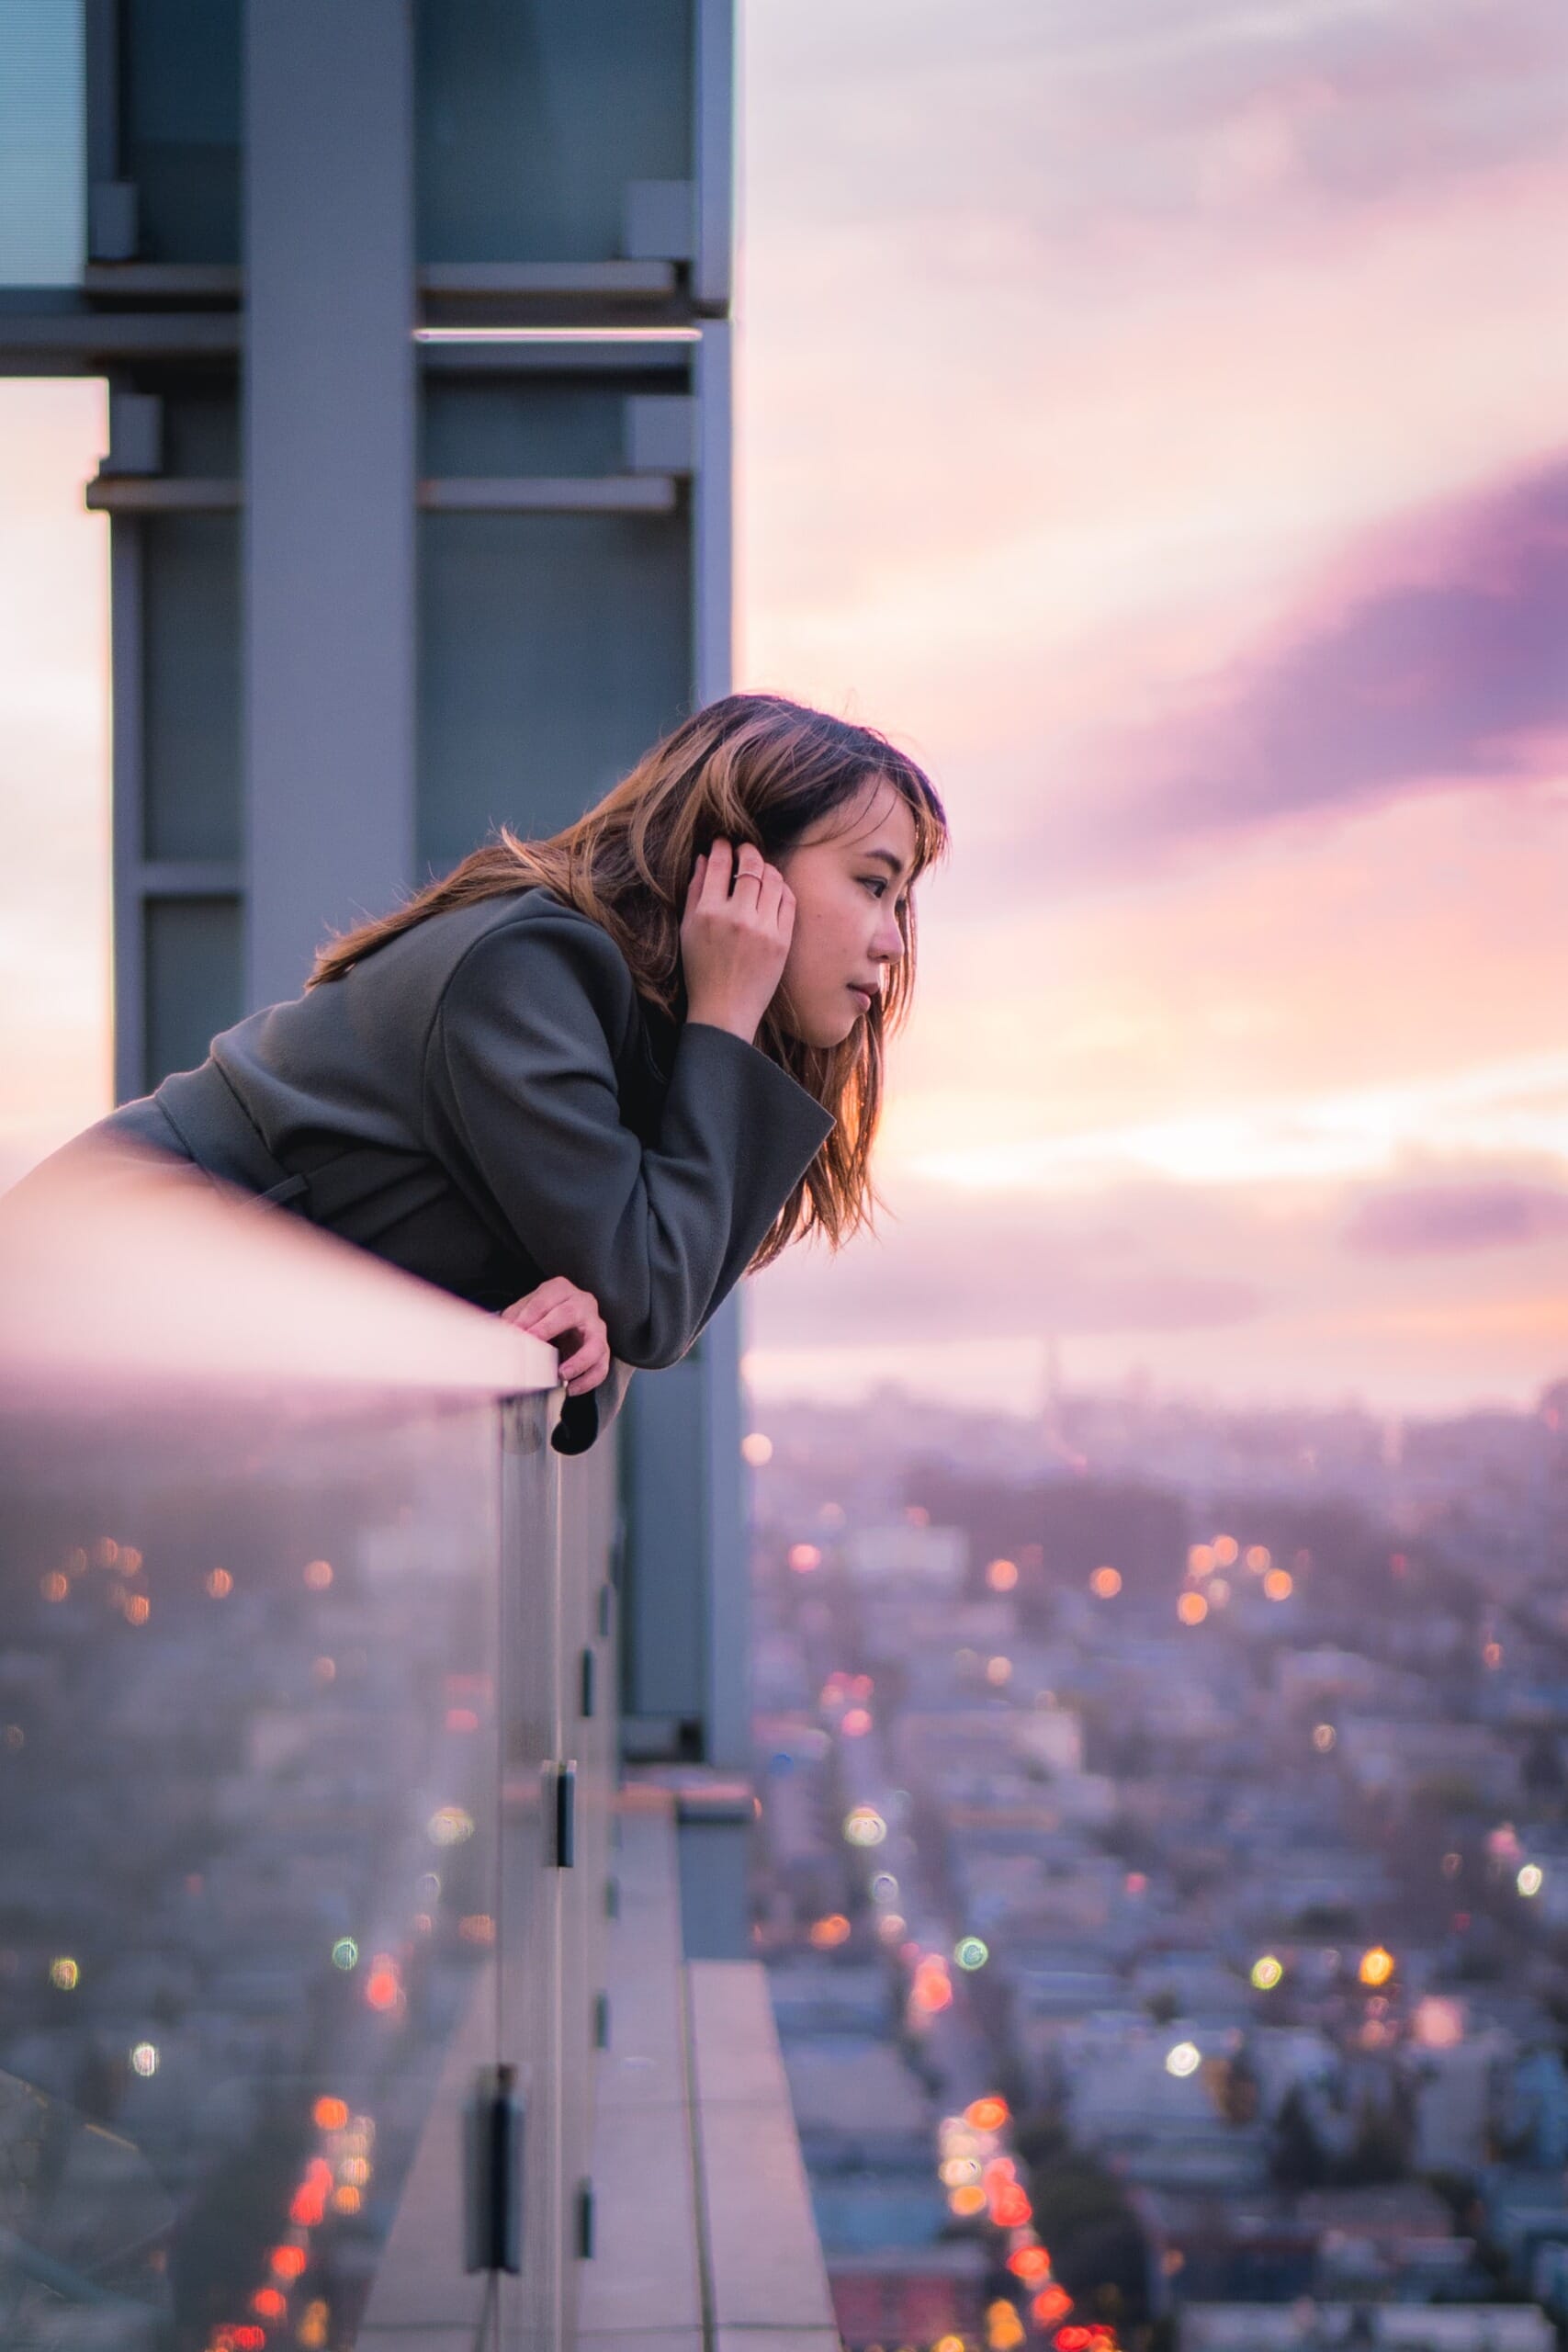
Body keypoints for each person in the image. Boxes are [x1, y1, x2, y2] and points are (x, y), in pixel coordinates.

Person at [11, 694, 947, 1452]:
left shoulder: (630, 1026)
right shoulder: (531, 971)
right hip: (80, 1307)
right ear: (739, 866)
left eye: (900, 900)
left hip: (182, 1365)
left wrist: (585, 1325)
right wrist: (726, 1018)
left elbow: (637, 1316)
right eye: (872, 883)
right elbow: (657, 1305)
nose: (891, 942)